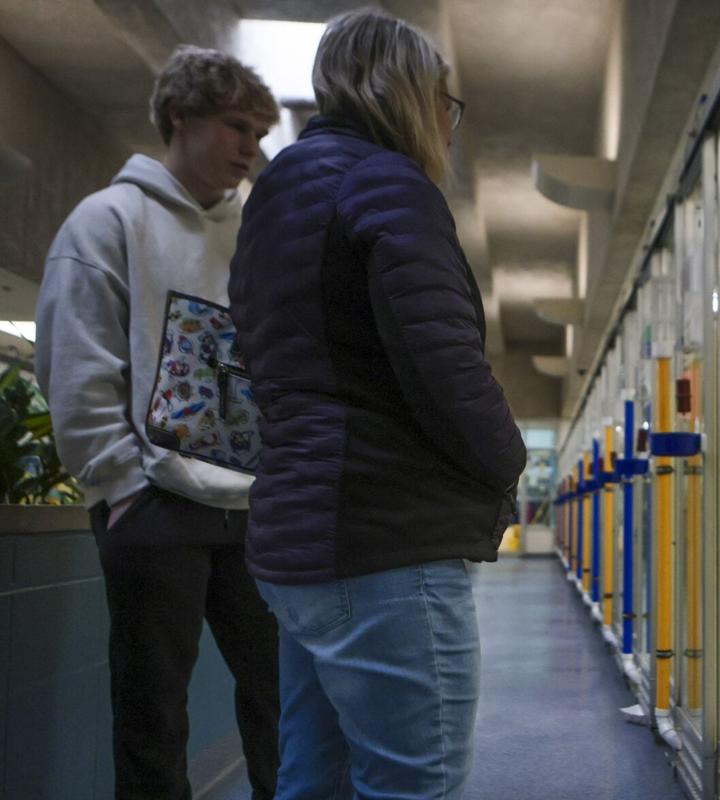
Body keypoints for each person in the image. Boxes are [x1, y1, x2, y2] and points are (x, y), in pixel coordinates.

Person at [228, 8, 526, 799]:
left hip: (297, 546)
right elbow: (446, 369)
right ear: (406, 94)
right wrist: (510, 463)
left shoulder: (274, 194)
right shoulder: (388, 185)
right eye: (444, 102)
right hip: (381, 541)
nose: (449, 126)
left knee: (310, 779)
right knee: (411, 784)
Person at [35, 46, 282, 800]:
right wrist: (119, 484)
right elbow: (75, 363)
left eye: (260, 131)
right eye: (237, 125)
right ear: (181, 116)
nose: (251, 147)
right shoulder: (108, 221)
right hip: (154, 505)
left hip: (254, 512)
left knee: (285, 699)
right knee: (152, 715)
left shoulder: (256, 237)